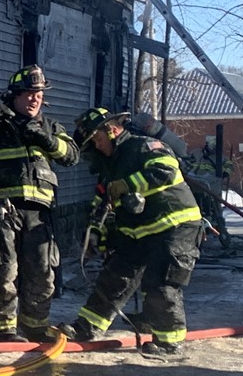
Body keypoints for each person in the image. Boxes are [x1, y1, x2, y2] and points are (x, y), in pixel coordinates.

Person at [58, 108, 203, 359]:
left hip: (174, 227)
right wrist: (96, 232)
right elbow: (102, 202)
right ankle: (86, 327)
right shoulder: (110, 165)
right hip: (138, 233)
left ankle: (169, 344)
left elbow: (165, 170)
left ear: (112, 130)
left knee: (159, 283)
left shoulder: (143, 146)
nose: (96, 146)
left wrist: (128, 184)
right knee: (114, 278)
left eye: (97, 139)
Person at [0, 65, 79, 343]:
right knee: (3, 269)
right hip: (2, 208)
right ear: (14, 96)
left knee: (41, 272)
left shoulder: (50, 126)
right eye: (29, 94)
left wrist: (46, 139)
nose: (35, 99)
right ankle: (2, 331)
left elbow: (71, 156)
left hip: (39, 212)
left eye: (39, 95)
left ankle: (35, 327)